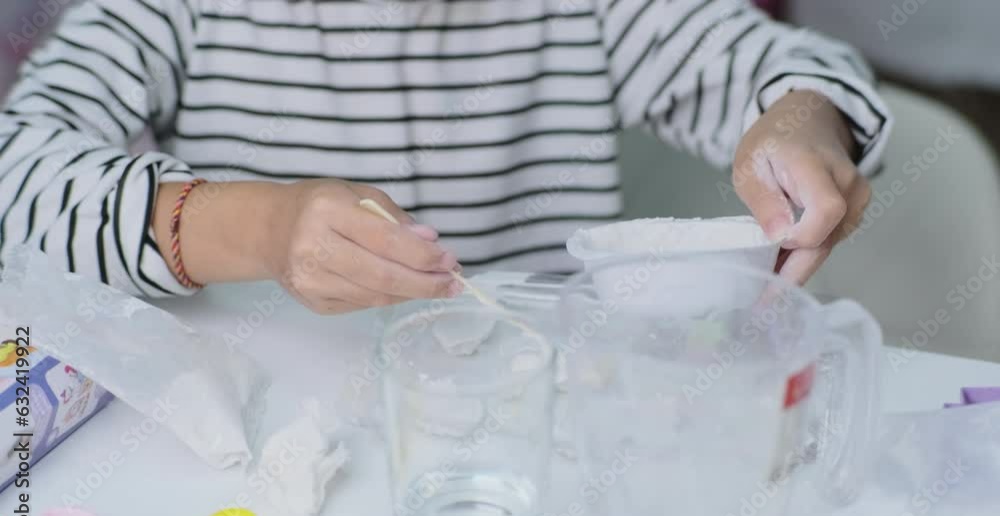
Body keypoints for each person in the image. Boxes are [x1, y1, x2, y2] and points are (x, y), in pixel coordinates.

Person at [0, 0, 891, 315]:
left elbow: (795, 75)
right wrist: (258, 226)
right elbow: (17, 177)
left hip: (536, 438)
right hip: (269, 457)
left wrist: (802, 123)